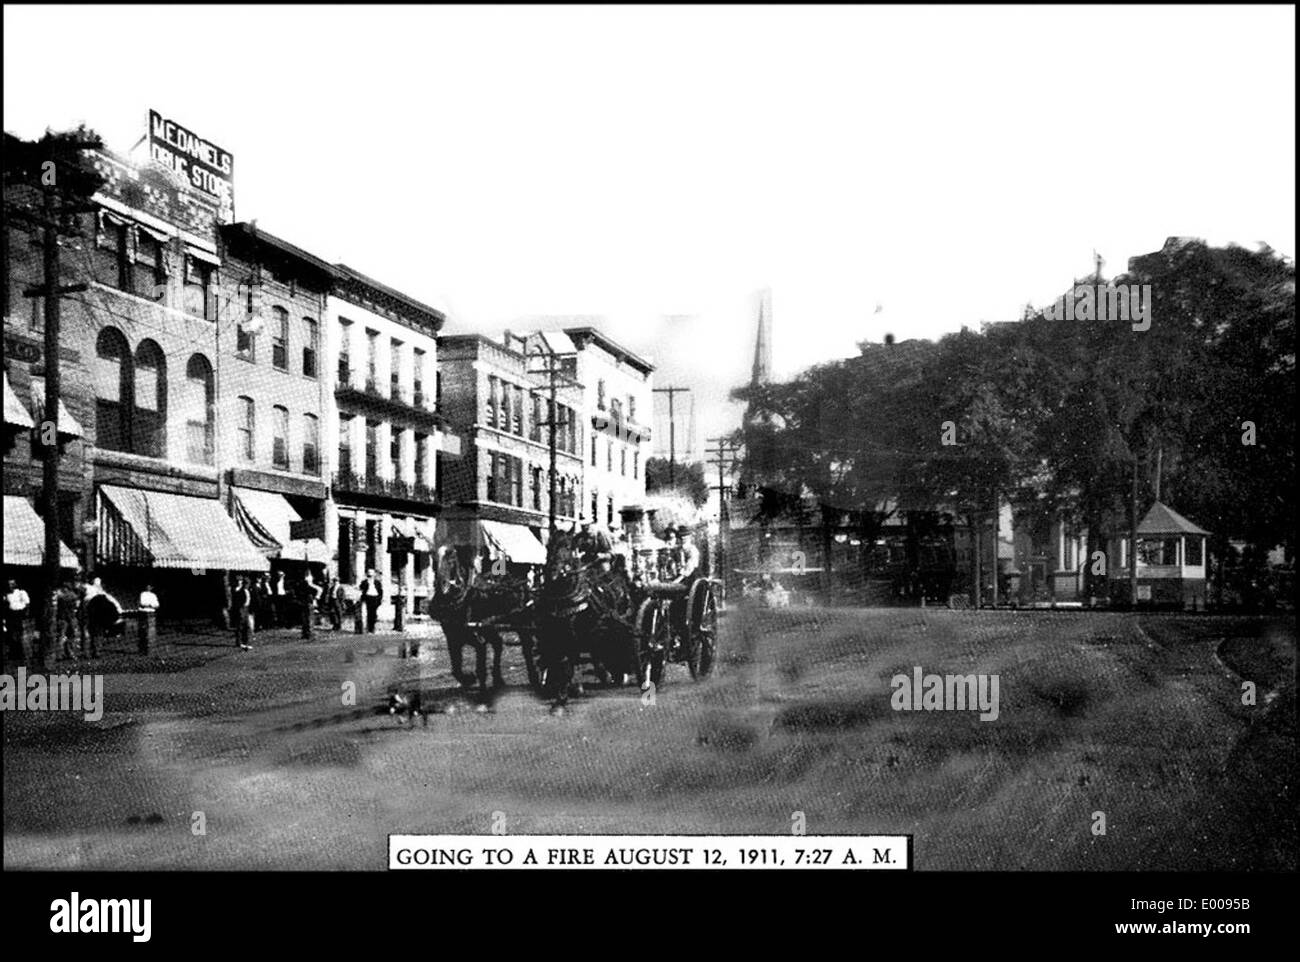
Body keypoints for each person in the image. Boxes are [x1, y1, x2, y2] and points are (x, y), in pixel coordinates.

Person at [56, 578, 81, 661]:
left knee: (61, 636)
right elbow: (77, 606)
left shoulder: (59, 595)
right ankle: (69, 652)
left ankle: (59, 654)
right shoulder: (73, 595)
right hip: (71, 617)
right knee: (71, 636)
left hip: (61, 617)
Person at [5, 579, 31, 662]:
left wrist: (25, 614)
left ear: (15, 584)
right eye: (9, 584)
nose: (10, 586)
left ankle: (21, 653)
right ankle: (13, 653)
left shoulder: (21, 593)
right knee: (11, 633)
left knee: (20, 634)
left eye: (12, 584)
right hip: (11, 615)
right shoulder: (8, 595)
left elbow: (27, 603)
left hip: (20, 614)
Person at [231, 577, 254, 650]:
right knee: (240, 627)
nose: (247, 585)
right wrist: (240, 611)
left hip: (246, 609)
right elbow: (238, 603)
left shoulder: (248, 591)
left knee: (246, 627)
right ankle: (239, 642)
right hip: (241, 610)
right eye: (246, 583)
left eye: (248, 583)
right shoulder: (240, 592)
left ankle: (245, 642)